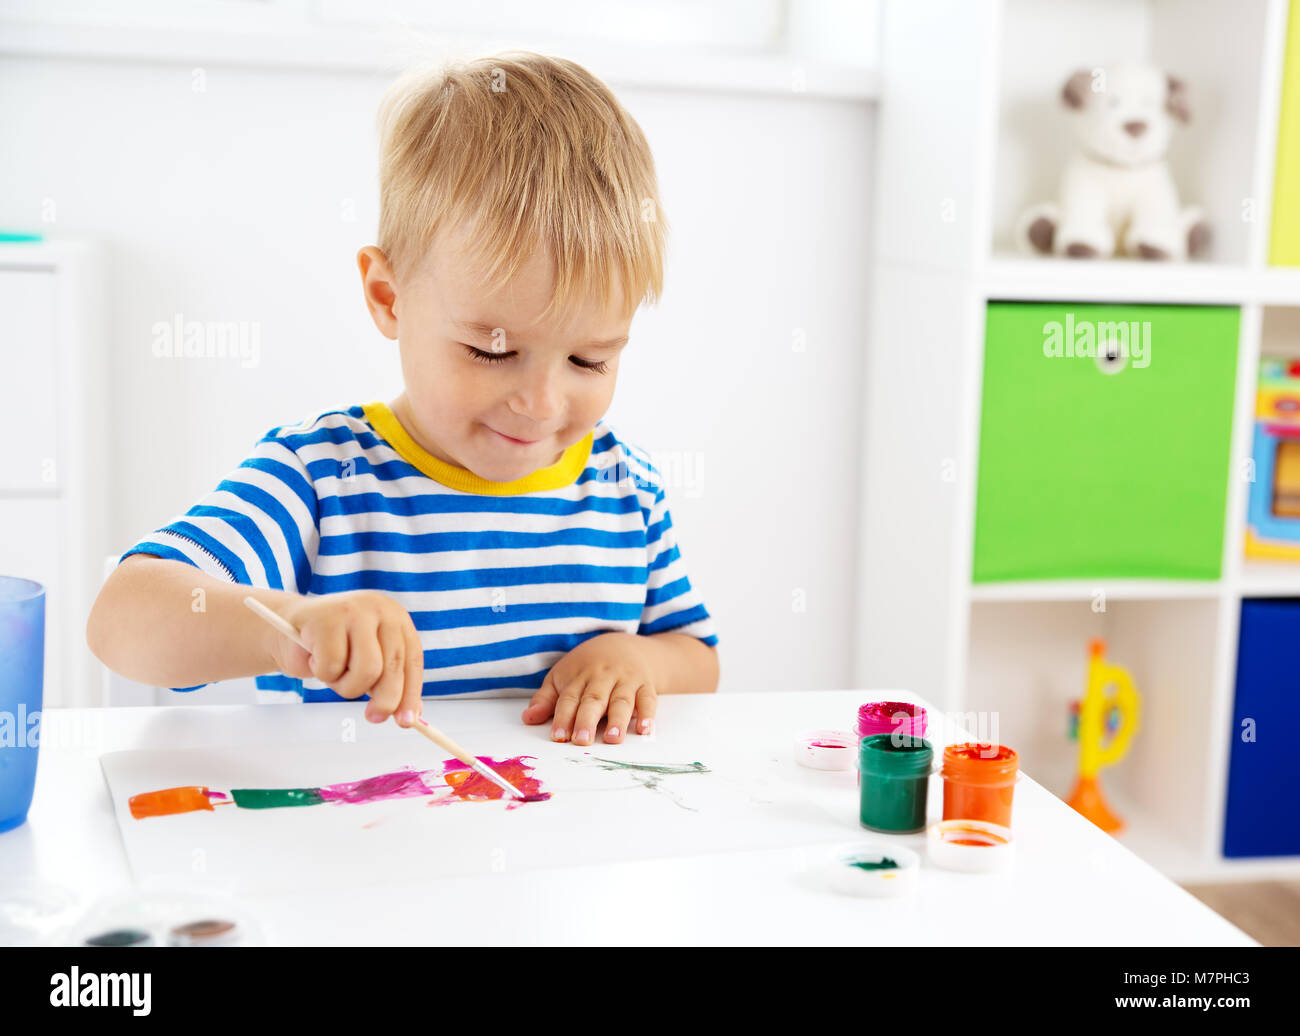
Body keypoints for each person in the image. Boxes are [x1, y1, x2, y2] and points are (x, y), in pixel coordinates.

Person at [86, 51, 719, 747]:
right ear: (389, 297)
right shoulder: (323, 478)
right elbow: (122, 619)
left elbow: (700, 659)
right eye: (494, 350)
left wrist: (637, 659)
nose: (541, 402)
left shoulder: (624, 486)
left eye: (589, 359)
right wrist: (286, 628)